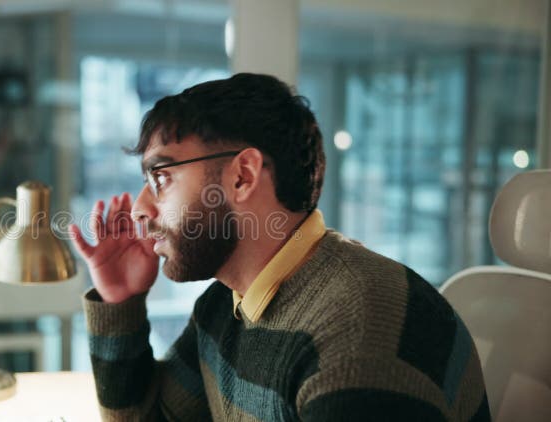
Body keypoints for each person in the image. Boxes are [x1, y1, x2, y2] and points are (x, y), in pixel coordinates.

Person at [69, 73, 490, 421]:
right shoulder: (226, 304)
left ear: (242, 176)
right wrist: (121, 300)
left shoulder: (356, 341)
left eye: (161, 177)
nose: (140, 209)